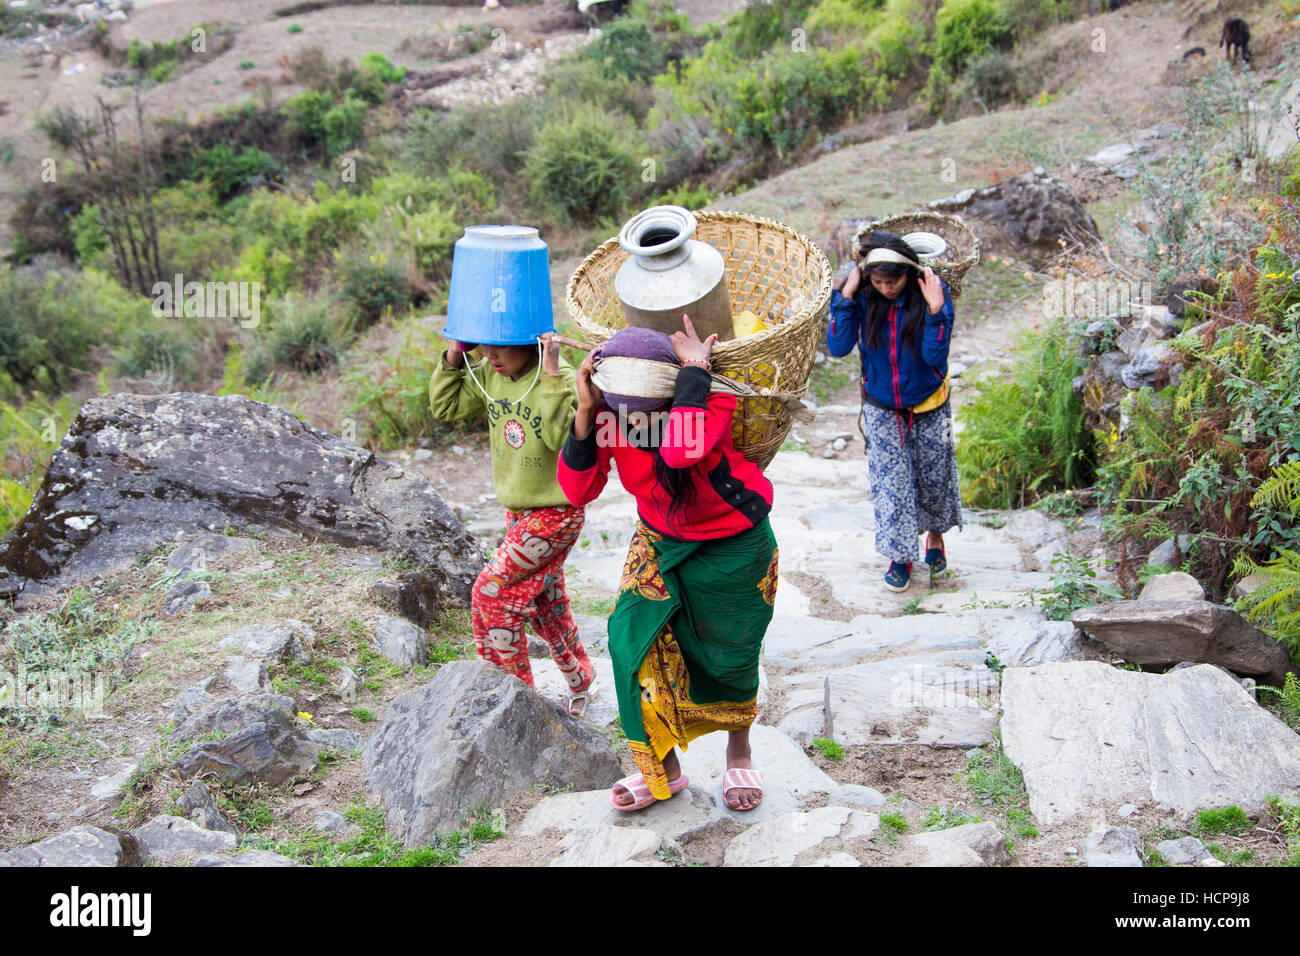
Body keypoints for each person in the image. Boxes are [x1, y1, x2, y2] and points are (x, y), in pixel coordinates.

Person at [557, 318, 777, 812]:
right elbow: (576, 490)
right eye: (622, 408)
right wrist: (587, 409)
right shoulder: (609, 414)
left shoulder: (711, 400)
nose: (633, 420)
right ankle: (663, 770)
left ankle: (738, 749)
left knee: (730, 652)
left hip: (734, 544)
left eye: (644, 408)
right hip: (660, 541)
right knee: (628, 640)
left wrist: (695, 373)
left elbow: (679, 453)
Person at [429, 333, 597, 716]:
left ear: (532, 342)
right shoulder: (491, 373)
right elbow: (445, 406)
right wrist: (457, 351)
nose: (491, 353)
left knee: (491, 595)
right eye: (486, 345)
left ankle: (514, 705)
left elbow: (563, 438)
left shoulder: (562, 376)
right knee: (544, 601)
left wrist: (553, 376)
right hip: (520, 513)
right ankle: (582, 679)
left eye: (501, 346)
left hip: (556, 512)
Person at [827, 232, 962, 592]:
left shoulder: (931, 293)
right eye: (878, 281)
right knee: (892, 484)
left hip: (930, 402)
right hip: (881, 406)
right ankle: (901, 554)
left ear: (909, 273)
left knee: (934, 475)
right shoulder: (864, 298)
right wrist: (847, 294)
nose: (886, 288)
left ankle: (935, 537)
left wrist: (936, 310)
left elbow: (936, 356)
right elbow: (838, 347)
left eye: (893, 281)